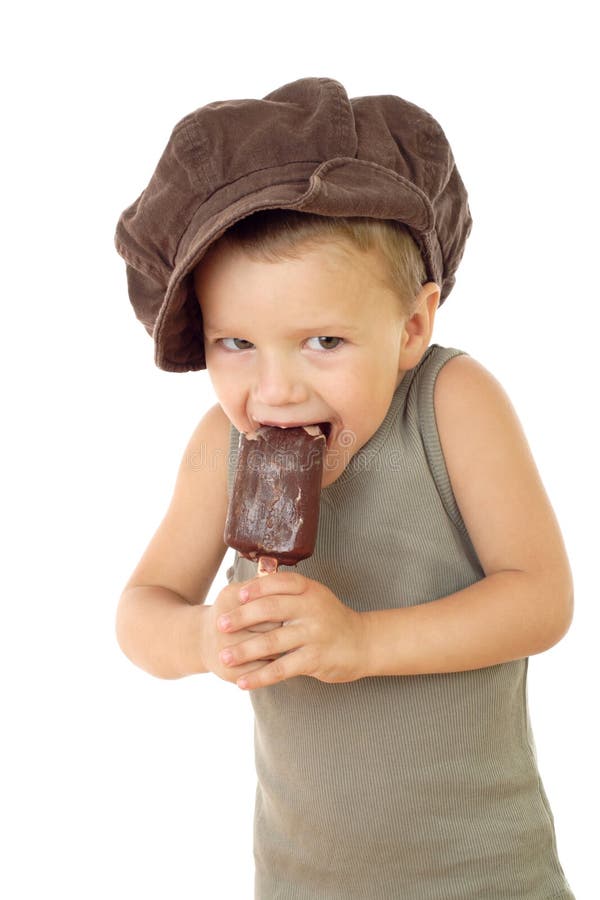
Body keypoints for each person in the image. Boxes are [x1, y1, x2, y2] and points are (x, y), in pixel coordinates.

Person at [114, 78, 575, 898]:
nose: (276, 388)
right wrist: (203, 638)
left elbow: (541, 601)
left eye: (322, 340)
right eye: (236, 343)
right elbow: (142, 609)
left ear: (411, 327)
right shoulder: (225, 444)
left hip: (486, 875)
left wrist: (361, 644)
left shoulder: (452, 404)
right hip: (301, 881)